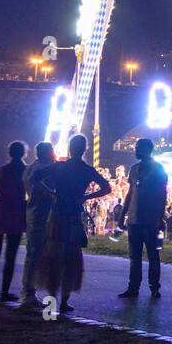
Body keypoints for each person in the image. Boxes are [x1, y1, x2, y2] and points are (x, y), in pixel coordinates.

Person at [36, 134, 111, 314]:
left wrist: (52, 194)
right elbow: (107, 188)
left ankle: (51, 301)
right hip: (74, 215)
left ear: (70, 148)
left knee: (53, 255)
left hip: (57, 213)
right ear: (85, 149)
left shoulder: (60, 166)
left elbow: (37, 177)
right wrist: (86, 197)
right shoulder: (87, 170)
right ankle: (64, 302)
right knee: (71, 257)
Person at [118, 138, 168, 300]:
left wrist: (159, 217)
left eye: (138, 148)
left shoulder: (158, 169)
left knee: (153, 256)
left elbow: (162, 195)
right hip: (134, 220)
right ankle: (133, 288)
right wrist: (122, 216)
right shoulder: (134, 169)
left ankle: (154, 287)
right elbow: (130, 193)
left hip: (150, 220)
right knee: (135, 257)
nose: (135, 150)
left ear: (147, 149)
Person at [0, 141, 27, 302]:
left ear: (9, 153)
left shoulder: (1, 170)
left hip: (1, 210)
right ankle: (5, 292)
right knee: (11, 255)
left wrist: (2, 197)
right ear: (24, 153)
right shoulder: (26, 170)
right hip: (16, 211)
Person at [20, 142, 56, 309]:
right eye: (52, 151)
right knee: (36, 253)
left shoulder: (29, 168)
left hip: (32, 212)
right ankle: (28, 293)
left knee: (32, 252)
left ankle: (29, 291)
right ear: (47, 153)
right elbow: (43, 187)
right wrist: (52, 194)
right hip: (43, 213)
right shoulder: (45, 169)